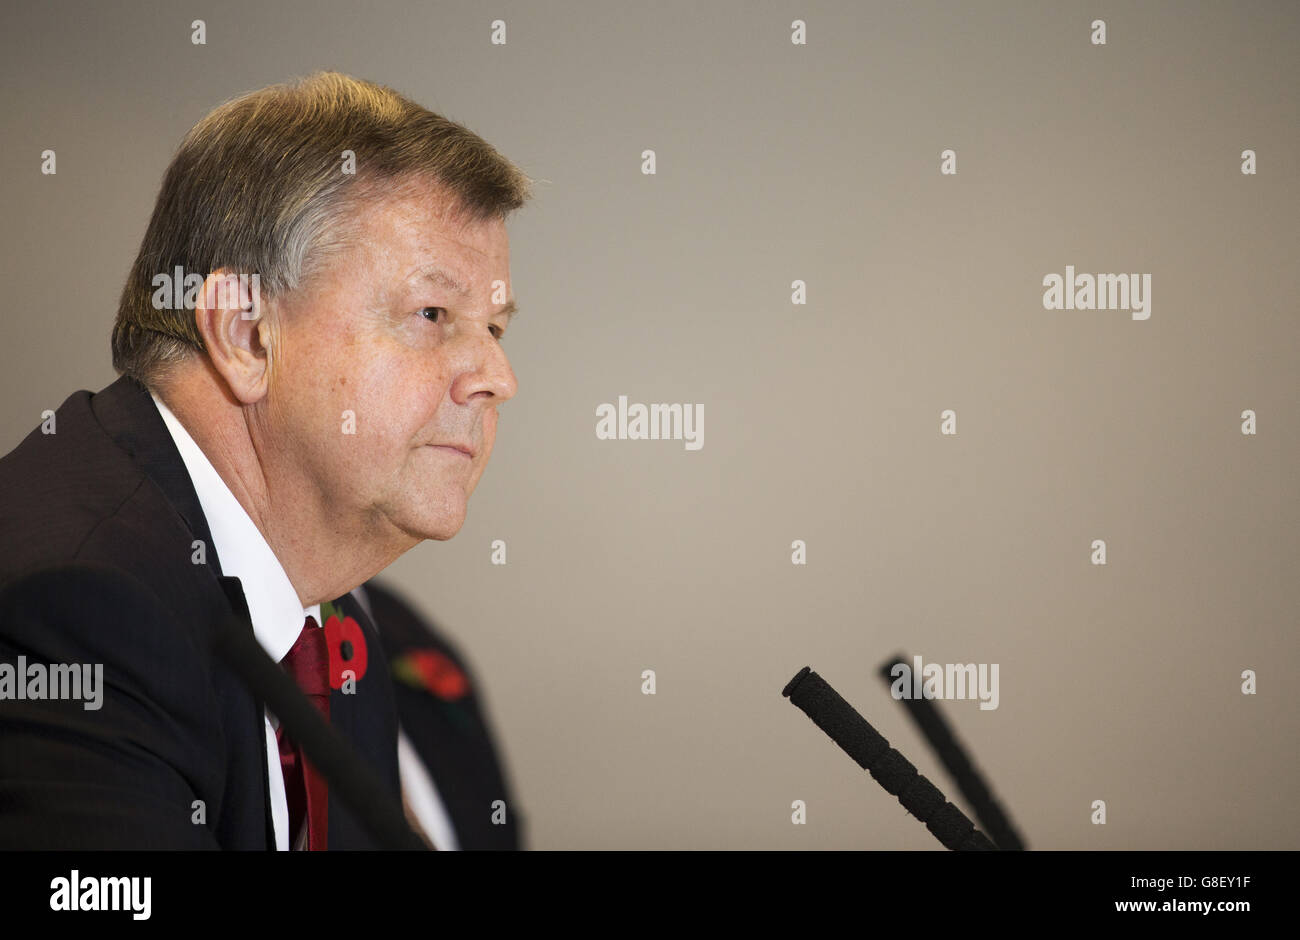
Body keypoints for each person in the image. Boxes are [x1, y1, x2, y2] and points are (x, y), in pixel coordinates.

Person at [0, 71, 531, 849]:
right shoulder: (73, 604)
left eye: (496, 330)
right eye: (433, 314)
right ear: (247, 334)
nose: (497, 379)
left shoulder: (331, 625)